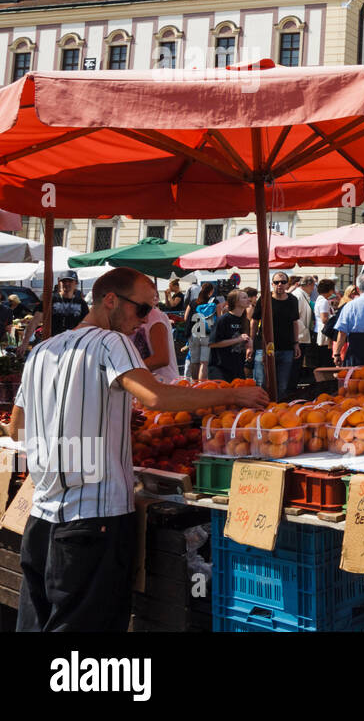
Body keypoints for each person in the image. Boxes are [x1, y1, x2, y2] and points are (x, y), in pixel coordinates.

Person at [10, 267, 267, 631]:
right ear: (110, 300)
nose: (145, 322)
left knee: (36, 624)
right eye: (143, 310)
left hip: (41, 520)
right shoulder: (111, 342)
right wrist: (234, 393)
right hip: (92, 519)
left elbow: (18, 426)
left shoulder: (42, 351)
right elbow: (157, 396)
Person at [250, 272, 301, 398]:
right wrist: (251, 343)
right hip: (264, 346)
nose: (280, 285)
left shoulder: (293, 300)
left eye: (283, 282)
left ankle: (277, 412)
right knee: (261, 383)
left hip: (286, 347)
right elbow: (254, 321)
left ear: (287, 284)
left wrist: (296, 344)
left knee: (282, 386)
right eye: (277, 282)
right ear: (272, 284)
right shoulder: (264, 299)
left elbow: (295, 322)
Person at [134, 293, 181, 385]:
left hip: (163, 385)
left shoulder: (154, 316)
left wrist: (128, 369)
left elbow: (161, 358)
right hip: (148, 384)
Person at [208, 289, 252, 381]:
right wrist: (238, 340)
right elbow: (213, 343)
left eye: (248, 297)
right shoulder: (224, 320)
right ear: (235, 302)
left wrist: (249, 345)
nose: (249, 300)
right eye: (244, 298)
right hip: (221, 368)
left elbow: (245, 338)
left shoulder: (246, 321)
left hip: (238, 368)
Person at [184, 284, 218, 381]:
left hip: (194, 333)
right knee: (204, 362)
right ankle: (202, 385)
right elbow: (219, 318)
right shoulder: (214, 302)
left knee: (194, 362)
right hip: (207, 335)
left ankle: (194, 384)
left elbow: (186, 318)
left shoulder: (193, 302)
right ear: (211, 292)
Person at [289, 276, 316, 387]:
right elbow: (295, 317)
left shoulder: (302, 295)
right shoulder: (298, 296)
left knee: (297, 365)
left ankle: (292, 386)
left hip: (301, 335)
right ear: (309, 285)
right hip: (299, 336)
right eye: (313, 286)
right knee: (295, 365)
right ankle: (291, 388)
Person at [48, 271, 89, 338]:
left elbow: (86, 323)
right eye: (64, 281)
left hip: (74, 340)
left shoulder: (81, 303)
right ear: (59, 283)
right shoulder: (51, 300)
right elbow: (36, 320)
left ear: (76, 283)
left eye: (70, 281)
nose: (66, 284)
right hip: (53, 340)